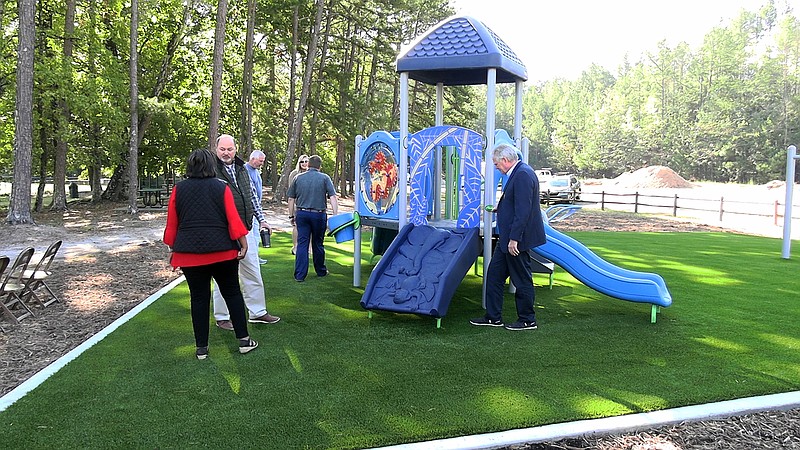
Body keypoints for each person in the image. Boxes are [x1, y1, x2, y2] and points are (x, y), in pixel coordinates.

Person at [163, 149, 258, 359]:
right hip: (223, 252)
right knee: (232, 293)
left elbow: (172, 223)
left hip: (189, 254)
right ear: (210, 166)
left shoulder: (179, 189)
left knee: (198, 299)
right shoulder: (220, 187)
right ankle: (244, 341)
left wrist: (171, 248)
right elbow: (233, 219)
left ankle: (202, 349)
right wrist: (243, 244)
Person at [470, 143, 546, 331]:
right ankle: (493, 317)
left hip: (515, 240)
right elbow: (515, 203)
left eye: (496, 164)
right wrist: (501, 207)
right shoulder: (518, 172)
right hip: (507, 239)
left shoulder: (522, 175)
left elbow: (524, 211)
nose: (496, 167)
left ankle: (528, 320)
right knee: (494, 276)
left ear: (505, 160)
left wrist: (515, 239)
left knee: (521, 279)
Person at [213, 134, 280, 330]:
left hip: (246, 229)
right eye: (222, 149)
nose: (226, 153)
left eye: (230, 149)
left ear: (235, 150)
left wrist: (262, 220)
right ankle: (222, 317)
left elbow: (251, 198)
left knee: (253, 271)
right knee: (223, 276)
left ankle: (258, 312)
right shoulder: (210, 170)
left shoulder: (242, 169)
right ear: (216, 150)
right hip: (222, 233)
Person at [287, 154, 338, 282]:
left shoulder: (298, 178)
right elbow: (333, 197)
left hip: (302, 214)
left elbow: (291, 198)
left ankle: (300, 275)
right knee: (318, 243)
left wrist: (291, 215)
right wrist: (335, 214)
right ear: (320, 166)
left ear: (308, 165)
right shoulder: (325, 178)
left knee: (302, 243)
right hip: (318, 214)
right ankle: (320, 270)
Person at [245, 150, 268, 265]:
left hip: (256, 208)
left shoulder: (256, 172)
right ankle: (251, 258)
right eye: (260, 161)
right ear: (253, 158)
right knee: (251, 236)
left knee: (256, 235)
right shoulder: (244, 171)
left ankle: (255, 257)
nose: (261, 164)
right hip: (249, 210)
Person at [288, 154, 309, 255]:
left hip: (309, 204)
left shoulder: (312, 173)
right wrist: (291, 213)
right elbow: (291, 193)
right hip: (298, 204)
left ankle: (309, 248)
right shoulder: (294, 174)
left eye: (306, 161)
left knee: (310, 227)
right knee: (296, 225)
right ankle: (295, 246)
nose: (304, 163)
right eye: (302, 162)